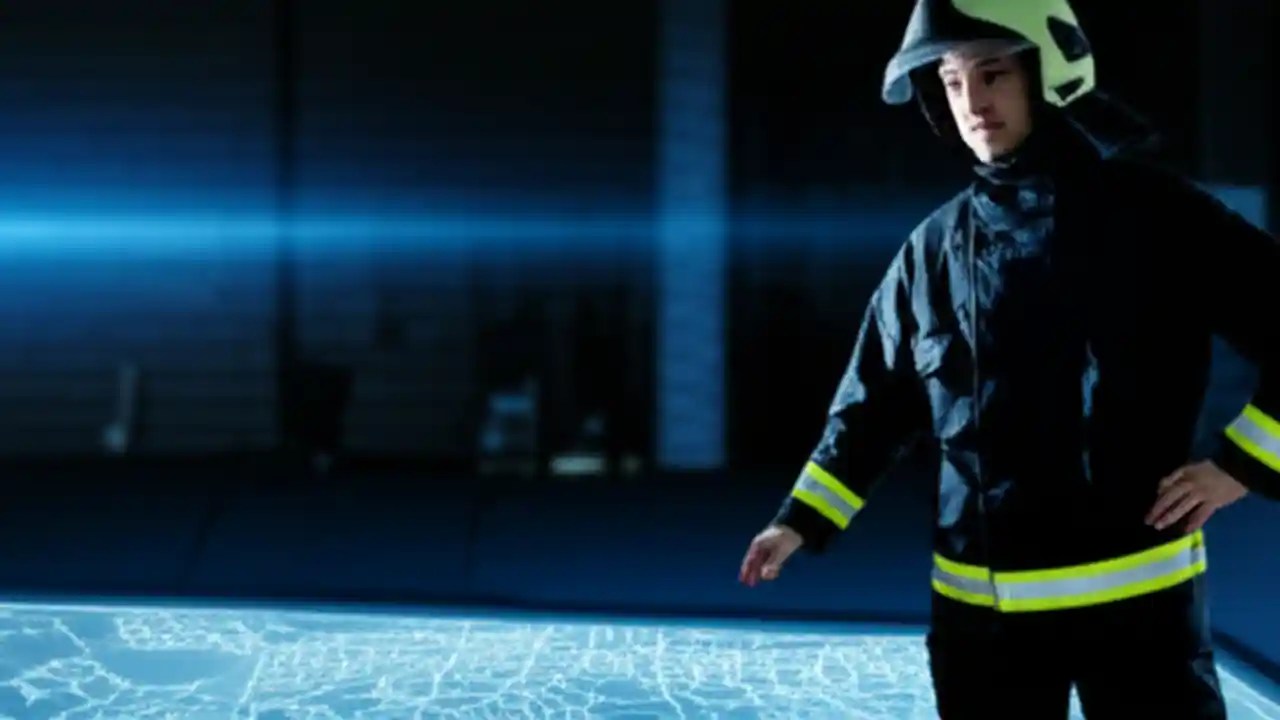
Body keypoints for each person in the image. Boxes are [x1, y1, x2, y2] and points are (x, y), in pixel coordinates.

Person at [738, 0, 1280, 717]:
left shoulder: (1158, 217)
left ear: (1045, 75)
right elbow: (870, 405)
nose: (972, 103)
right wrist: (798, 521)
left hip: (1138, 609)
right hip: (980, 626)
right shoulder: (931, 252)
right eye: (953, 83)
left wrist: (1240, 468)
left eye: (992, 74)